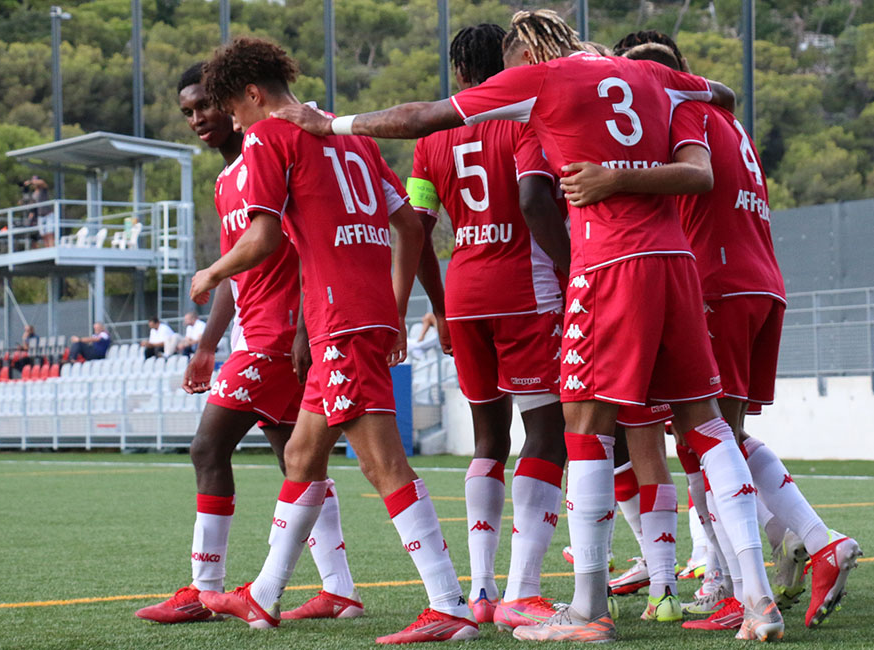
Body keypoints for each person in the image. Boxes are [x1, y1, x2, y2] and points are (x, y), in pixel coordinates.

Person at [269, 9, 781, 643]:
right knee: (706, 424)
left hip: (595, 268)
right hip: (675, 262)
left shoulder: (537, 81)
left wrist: (331, 123)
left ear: (526, 57)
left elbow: (422, 120)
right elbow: (721, 97)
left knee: (579, 430)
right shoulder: (649, 75)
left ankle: (582, 607)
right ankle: (757, 599)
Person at [566, 40, 863, 634]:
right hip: (759, 281)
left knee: (702, 437)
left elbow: (690, 180)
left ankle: (795, 552)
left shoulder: (681, 113)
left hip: (713, 283)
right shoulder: (729, 122)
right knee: (722, 434)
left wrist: (609, 177)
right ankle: (769, 556)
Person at [189, 38, 476, 643]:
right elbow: (409, 227)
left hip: (339, 316)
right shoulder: (350, 134)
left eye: (233, 108)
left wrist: (213, 271)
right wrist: (392, 307)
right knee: (300, 455)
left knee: (382, 464)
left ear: (252, 94)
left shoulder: (270, 135)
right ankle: (265, 594)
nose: (235, 123)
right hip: (352, 316)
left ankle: (449, 605)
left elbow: (264, 237)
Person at [136, 61, 360, 626]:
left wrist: (306, 327)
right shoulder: (224, 181)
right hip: (254, 333)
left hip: (278, 336)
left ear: (234, 101)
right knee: (297, 462)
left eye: (205, 105)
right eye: (187, 112)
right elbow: (236, 272)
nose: (197, 118)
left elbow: (309, 243)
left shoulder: (271, 153)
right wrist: (207, 345)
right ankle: (338, 589)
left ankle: (203, 589)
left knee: (207, 449)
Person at [407, 23, 568, 631]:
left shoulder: (431, 138)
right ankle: (524, 591)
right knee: (547, 434)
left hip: (465, 295)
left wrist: (439, 304)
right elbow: (534, 199)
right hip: (525, 292)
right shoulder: (525, 119)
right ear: (509, 65)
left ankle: (480, 589)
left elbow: (416, 231)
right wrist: (574, 270)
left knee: (487, 442)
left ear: (458, 74)